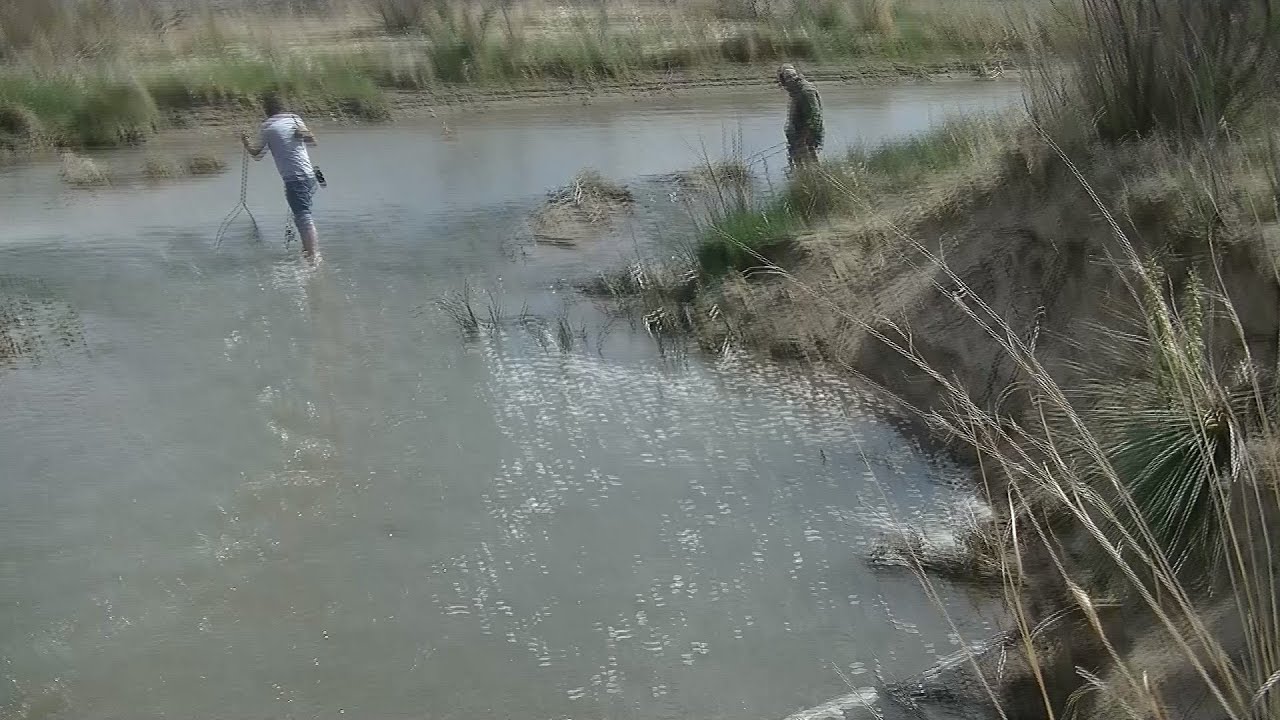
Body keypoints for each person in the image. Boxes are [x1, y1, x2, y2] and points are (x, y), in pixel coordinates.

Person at [242, 93, 321, 256]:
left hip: (294, 178)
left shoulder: (268, 127)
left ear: (266, 110)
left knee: (303, 216)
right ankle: (308, 251)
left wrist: (245, 142)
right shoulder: (294, 119)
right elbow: (313, 141)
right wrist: (304, 133)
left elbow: (257, 155)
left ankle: (313, 257)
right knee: (300, 214)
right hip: (309, 176)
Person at [777, 64, 823, 166]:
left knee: (811, 162)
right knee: (799, 163)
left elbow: (814, 116)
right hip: (797, 135)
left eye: (784, 82)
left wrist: (805, 136)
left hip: (806, 136)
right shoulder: (795, 91)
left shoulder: (806, 91)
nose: (784, 86)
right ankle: (800, 178)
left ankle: (815, 179)